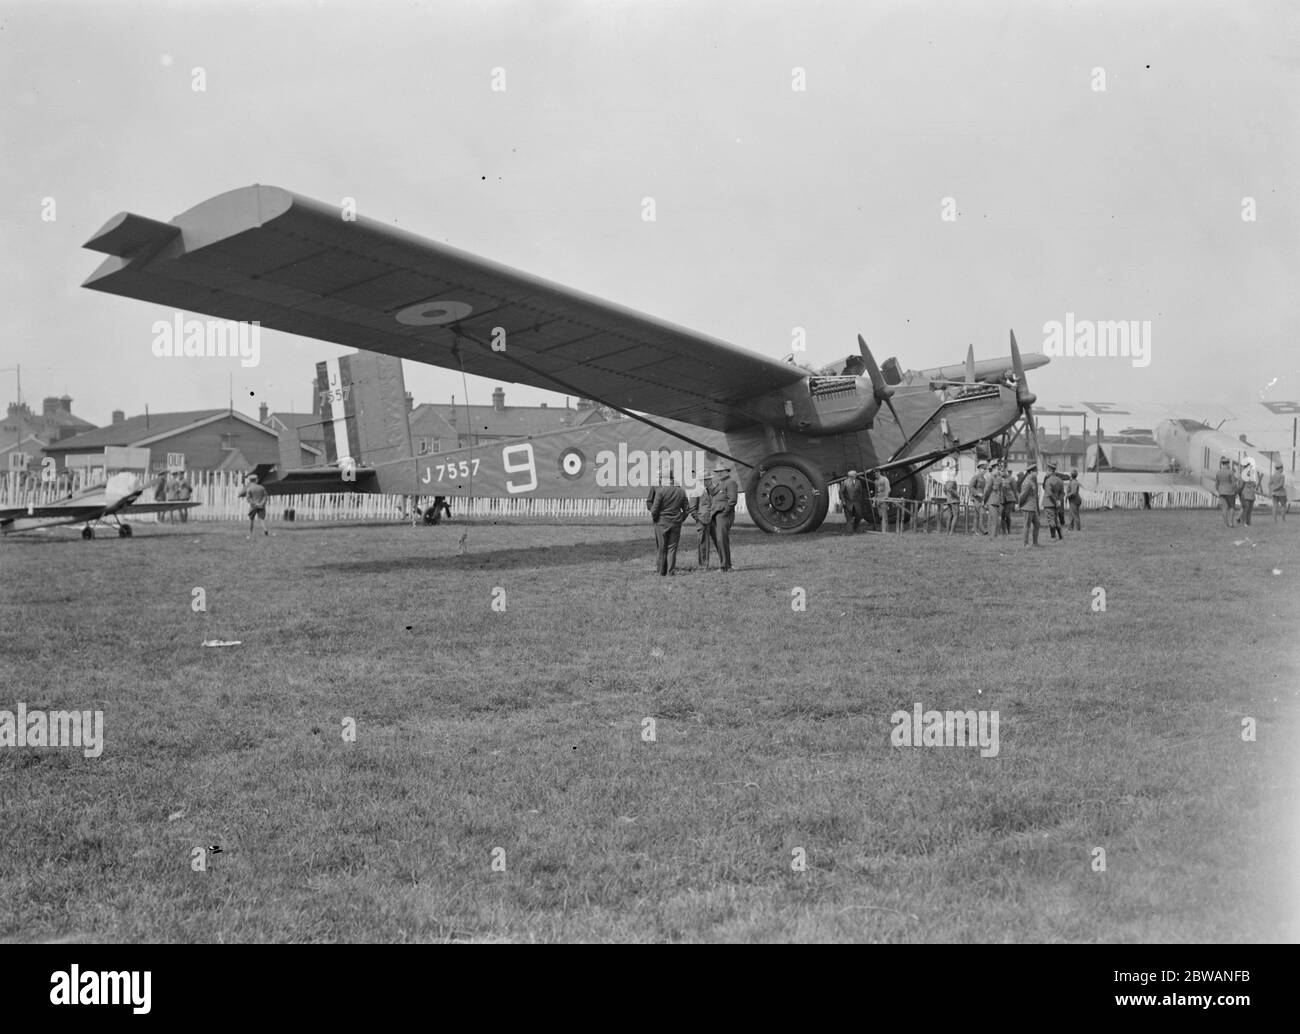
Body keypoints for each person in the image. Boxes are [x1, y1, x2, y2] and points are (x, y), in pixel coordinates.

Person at [648, 470, 690, 576]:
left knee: (662, 548)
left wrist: (655, 519)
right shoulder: (681, 491)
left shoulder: (661, 491)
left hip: (661, 522)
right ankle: (671, 571)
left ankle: (662, 571)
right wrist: (681, 519)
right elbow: (687, 509)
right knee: (672, 548)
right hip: (676, 522)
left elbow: (654, 509)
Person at [710, 463, 739, 571]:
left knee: (722, 540)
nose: (719, 473)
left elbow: (732, 500)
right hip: (718, 515)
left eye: (721, 471)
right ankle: (725, 565)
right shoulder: (720, 483)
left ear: (727, 471)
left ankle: (725, 566)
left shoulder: (730, 482)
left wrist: (725, 511)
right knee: (720, 540)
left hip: (724, 515)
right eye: (717, 472)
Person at [690, 471, 717, 568]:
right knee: (703, 543)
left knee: (719, 541)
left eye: (710, 479)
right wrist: (699, 519)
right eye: (709, 479)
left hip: (714, 520)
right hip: (702, 521)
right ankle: (703, 565)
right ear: (703, 481)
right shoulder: (695, 491)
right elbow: (692, 509)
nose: (710, 480)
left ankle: (725, 564)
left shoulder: (713, 490)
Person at [238, 473, 270, 538]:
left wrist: (254, 503)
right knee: (261, 519)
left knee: (251, 519)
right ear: (256, 480)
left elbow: (248, 498)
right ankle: (265, 530)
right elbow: (265, 496)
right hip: (261, 506)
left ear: (250, 481)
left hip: (253, 506)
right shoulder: (261, 487)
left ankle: (250, 533)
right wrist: (261, 503)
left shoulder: (249, 488)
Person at [1018, 464, 1041, 546]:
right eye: (1035, 472)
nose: (1037, 473)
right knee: (1027, 526)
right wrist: (1019, 505)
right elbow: (1022, 495)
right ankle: (1025, 543)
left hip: (1032, 507)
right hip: (1027, 507)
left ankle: (1035, 542)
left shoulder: (1032, 481)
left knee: (1037, 524)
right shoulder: (1027, 482)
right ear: (1031, 472)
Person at [1213, 458, 1239, 528]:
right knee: (1232, 507)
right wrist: (1236, 491)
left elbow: (1216, 483)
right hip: (1230, 492)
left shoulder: (1218, 472)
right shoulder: (1230, 472)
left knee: (1224, 508)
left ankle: (1226, 524)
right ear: (1228, 463)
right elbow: (1233, 483)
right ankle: (1231, 523)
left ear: (1222, 463)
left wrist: (1218, 491)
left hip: (1221, 492)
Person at [1043, 463, 1066, 540]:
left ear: (1050, 471)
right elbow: (1062, 493)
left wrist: (1055, 501)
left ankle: (1053, 537)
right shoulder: (1059, 480)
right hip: (1056, 504)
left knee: (1051, 520)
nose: (1046, 473)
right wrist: (1059, 501)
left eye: (1047, 471)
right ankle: (1060, 536)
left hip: (1049, 503)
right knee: (1056, 519)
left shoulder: (1048, 481)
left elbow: (1049, 492)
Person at [969, 461, 989, 534]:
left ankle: (975, 530)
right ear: (979, 469)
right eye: (983, 469)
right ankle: (983, 530)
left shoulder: (983, 478)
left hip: (981, 498)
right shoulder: (975, 477)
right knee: (982, 512)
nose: (984, 471)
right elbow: (970, 487)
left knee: (976, 515)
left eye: (985, 469)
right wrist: (977, 493)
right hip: (976, 497)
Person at [1000, 462, 1017, 535]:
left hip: (1010, 499)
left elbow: (1015, 490)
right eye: (1001, 471)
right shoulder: (999, 479)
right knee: (1002, 515)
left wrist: (1016, 502)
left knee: (1007, 514)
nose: (1002, 473)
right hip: (1001, 500)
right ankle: (1003, 531)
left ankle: (1009, 530)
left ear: (1006, 471)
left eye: (1003, 471)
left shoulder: (1011, 479)